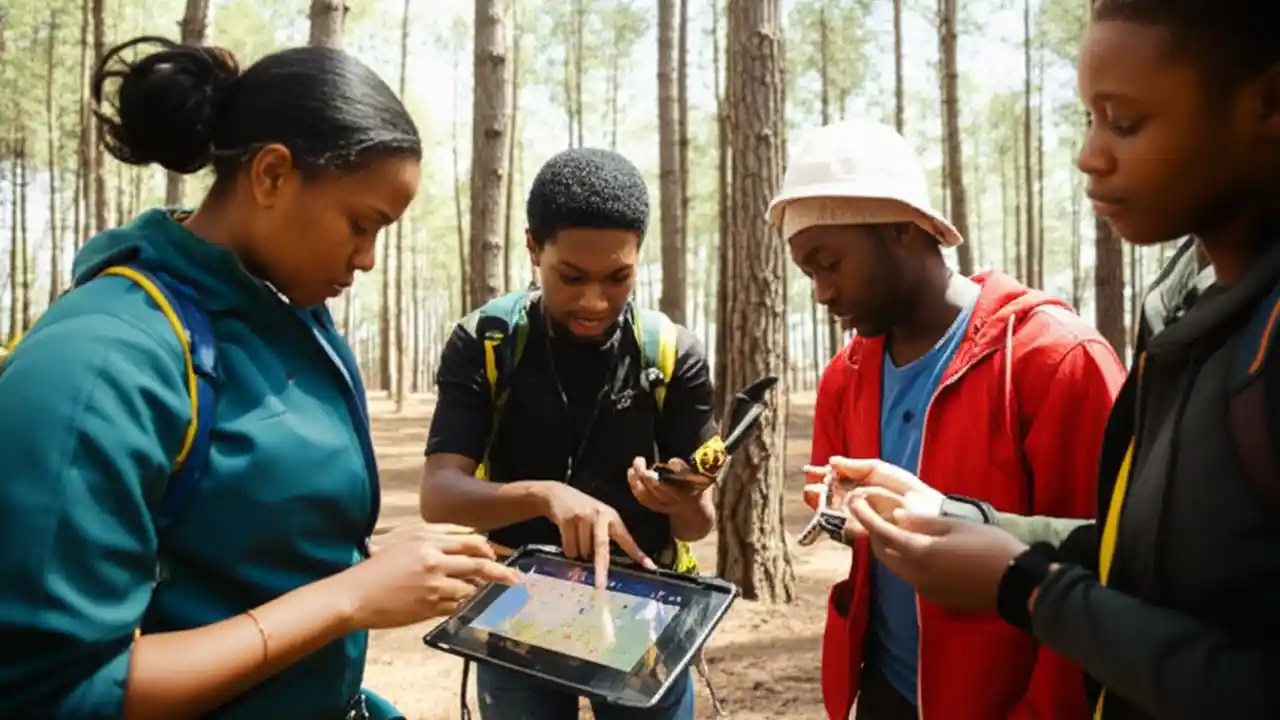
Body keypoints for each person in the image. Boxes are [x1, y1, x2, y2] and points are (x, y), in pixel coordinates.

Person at [0, 36, 522, 720]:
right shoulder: (98, 364)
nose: (367, 259)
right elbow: (54, 695)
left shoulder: (285, 315)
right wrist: (350, 596)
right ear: (272, 175)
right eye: (361, 224)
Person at [832, 2, 1280, 719]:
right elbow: (1134, 558)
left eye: (1126, 122)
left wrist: (1029, 590)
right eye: (1088, 120)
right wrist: (956, 514)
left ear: (1266, 104)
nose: (1090, 155)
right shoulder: (1188, 318)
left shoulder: (1079, 353)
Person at [767, 118, 1127, 720]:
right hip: (885, 689)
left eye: (830, 263)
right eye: (809, 273)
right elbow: (851, 521)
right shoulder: (846, 376)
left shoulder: (1055, 362)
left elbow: (1105, 568)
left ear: (905, 230)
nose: (822, 292)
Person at [420, 147, 719, 720]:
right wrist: (545, 495)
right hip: (517, 603)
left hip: (644, 608)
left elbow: (695, 525)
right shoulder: (486, 343)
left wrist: (683, 497)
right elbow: (440, 495)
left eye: (618, 277)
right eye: (571, 277)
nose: (593, 301)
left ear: (638, 255)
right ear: (533, 247)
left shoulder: (670, 352)